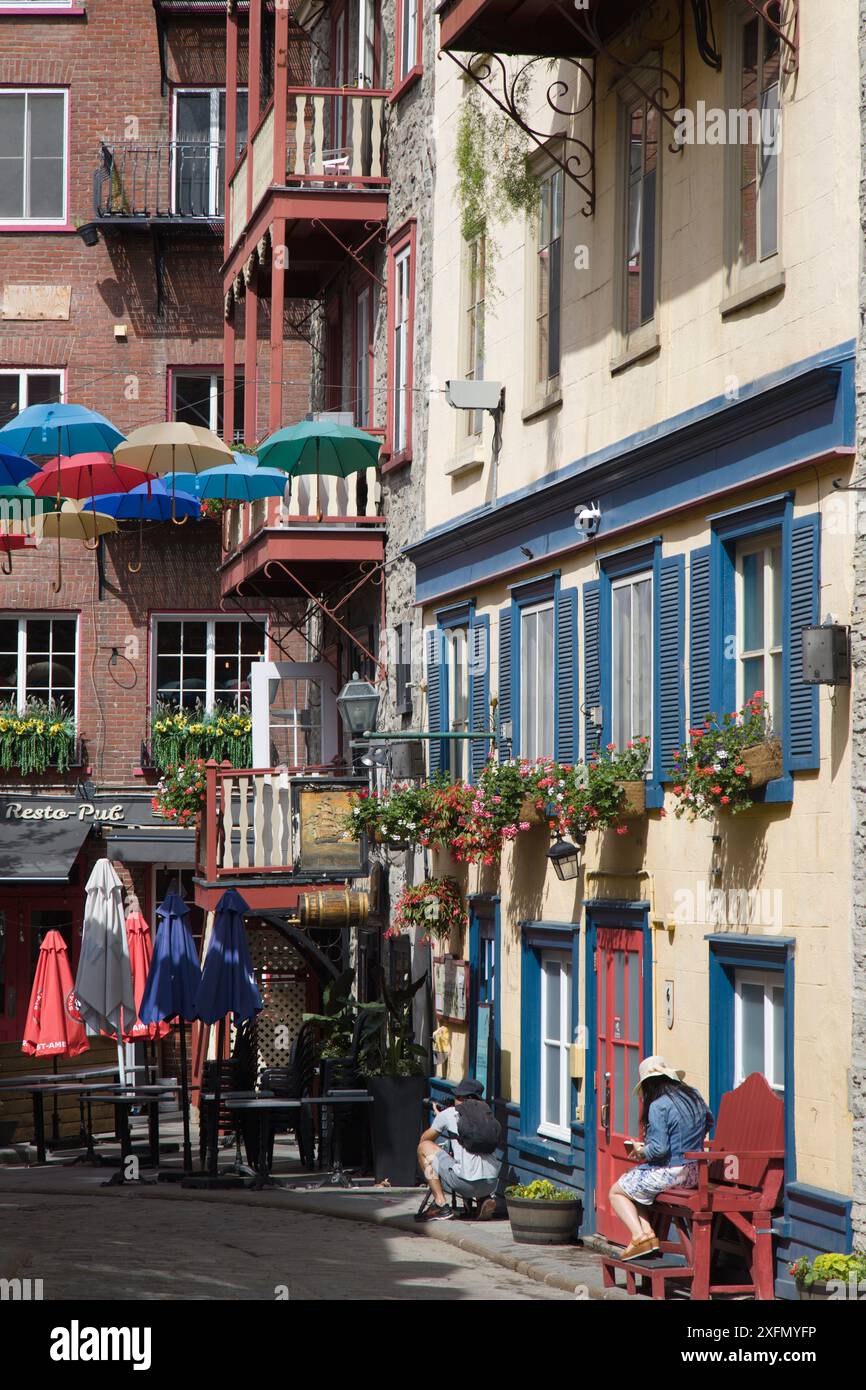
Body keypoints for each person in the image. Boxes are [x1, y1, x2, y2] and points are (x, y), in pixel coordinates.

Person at [609, 1055, 713, 1261]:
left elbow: (659, 1149)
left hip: (674, 1173)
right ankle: (646, 1236)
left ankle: (638, 1235)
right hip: (695, 1172)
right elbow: (709, 1122)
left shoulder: (658, 1105)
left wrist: (640, 1151)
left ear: (648, 1085)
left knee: (616, 1192)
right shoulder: (693, 1095)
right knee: (633, 1181)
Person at [417, 1078, 502, 1221]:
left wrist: (440, 1119)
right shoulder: (487, 1114)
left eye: (456, 1096)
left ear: (461, 1097)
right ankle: (483, 1199)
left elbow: (425, 1139)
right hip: (491, 1183)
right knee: (473, 1156)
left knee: (423, 1148)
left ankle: (440, 1204)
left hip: (464, 1184)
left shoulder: (449, 1113)